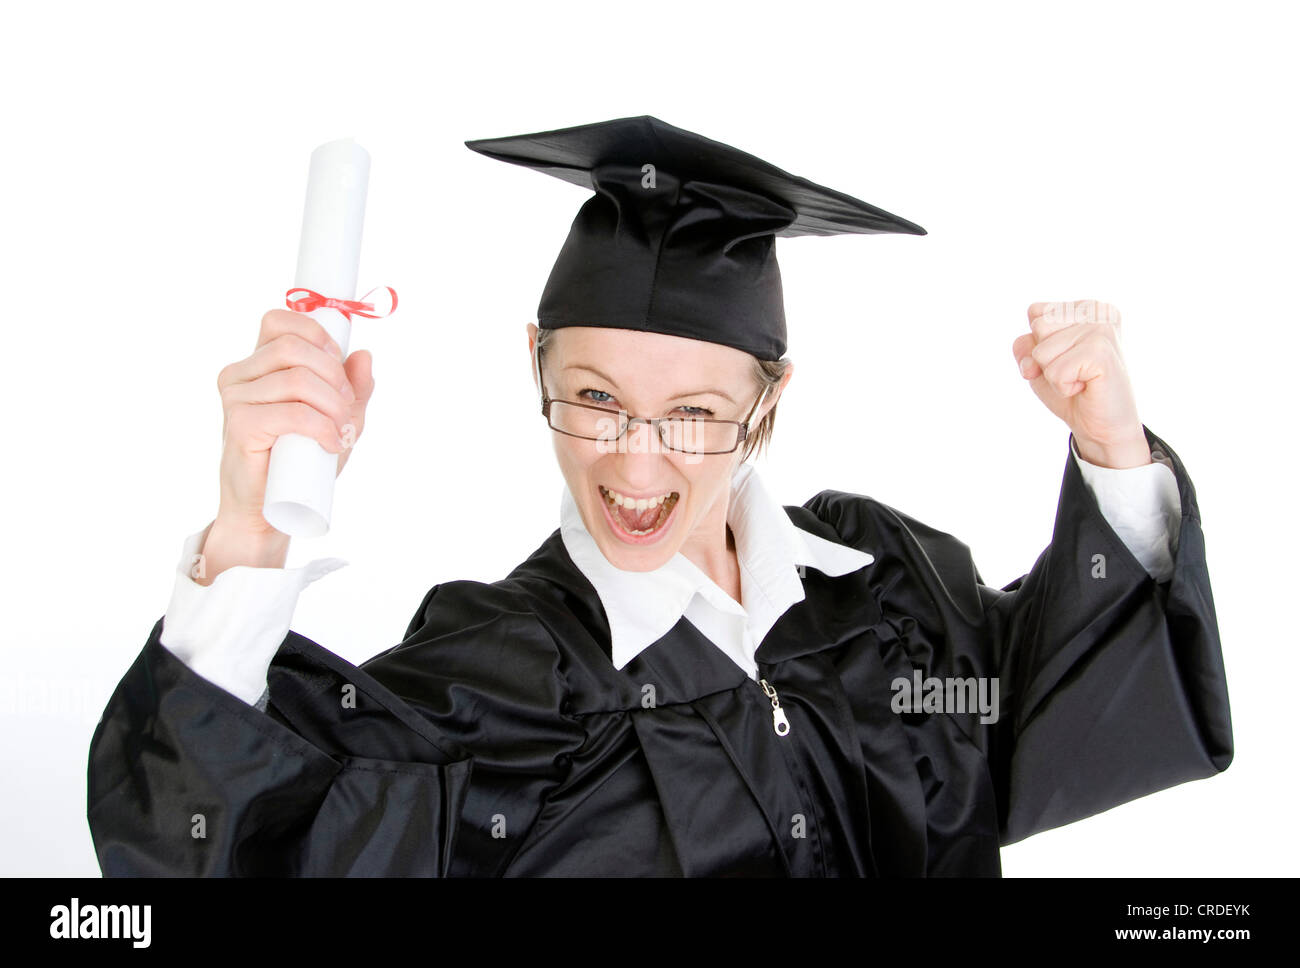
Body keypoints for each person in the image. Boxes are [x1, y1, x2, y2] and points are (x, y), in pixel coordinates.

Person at [87, 116, 1232, 877]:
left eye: (693, 412)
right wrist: (250, 526)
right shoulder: (493, 675)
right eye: (591, 395)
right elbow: (232, 844)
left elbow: (1043, 717)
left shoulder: (883, 588)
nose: (635, 464)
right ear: (531, 360)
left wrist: (1112, 451)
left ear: (769, 399)